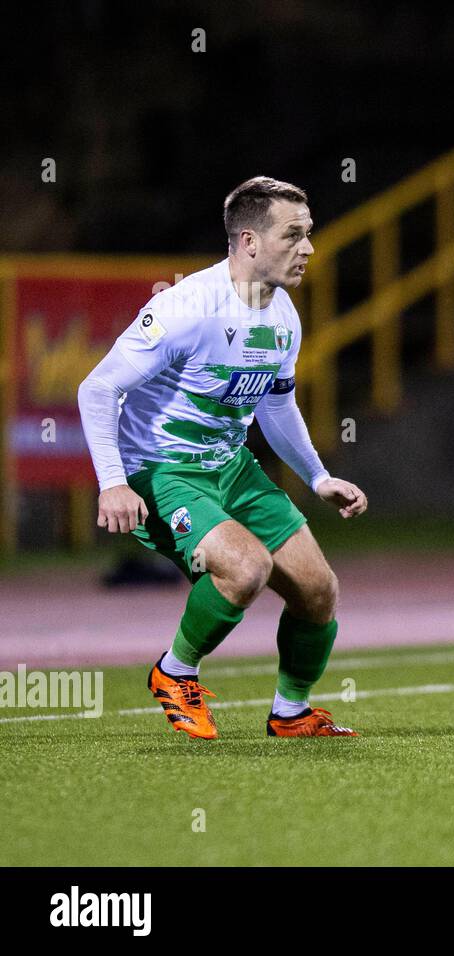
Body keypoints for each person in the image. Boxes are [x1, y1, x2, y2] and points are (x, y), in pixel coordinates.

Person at [77, 176, 368, 738]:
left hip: (230, 466)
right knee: (247, 567)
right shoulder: (186, 308)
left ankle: (291, 713)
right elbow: (97, 389)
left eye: (310, 234)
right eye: (294, 235)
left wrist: (318, 475)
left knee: (318, 590)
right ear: (250, 241)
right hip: (162, 471)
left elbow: (275, 406)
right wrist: (113, 482)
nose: (308, 248)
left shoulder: (283, 315)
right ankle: (174, 671)